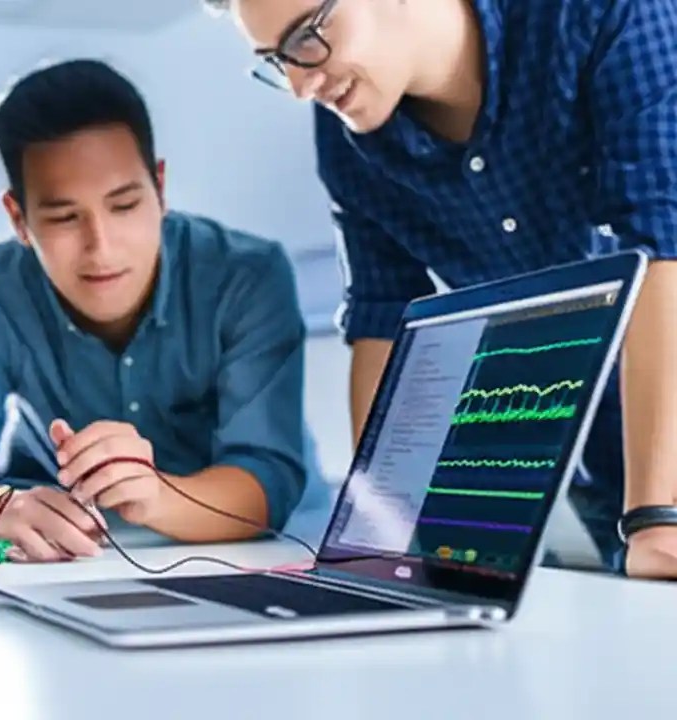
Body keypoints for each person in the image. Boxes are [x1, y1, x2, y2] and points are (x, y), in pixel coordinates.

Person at [206, 0, 677, 577]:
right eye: (278, 61)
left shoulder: (602, 13)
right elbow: (381, 318)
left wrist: (658, 513)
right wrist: (379, 540)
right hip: (611, 478)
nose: (303, 86)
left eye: (308, 36)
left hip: (656, 494)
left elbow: (663, 243)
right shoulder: (350, 133)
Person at [0, 59, 323, 563]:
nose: (101, 247)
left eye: (125, 205)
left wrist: (154, 494)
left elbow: (265, 481)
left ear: (160, 187)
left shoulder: (248, 275)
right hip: (78, 556)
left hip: (263, 551)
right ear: (19, 219)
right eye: (66, 216)